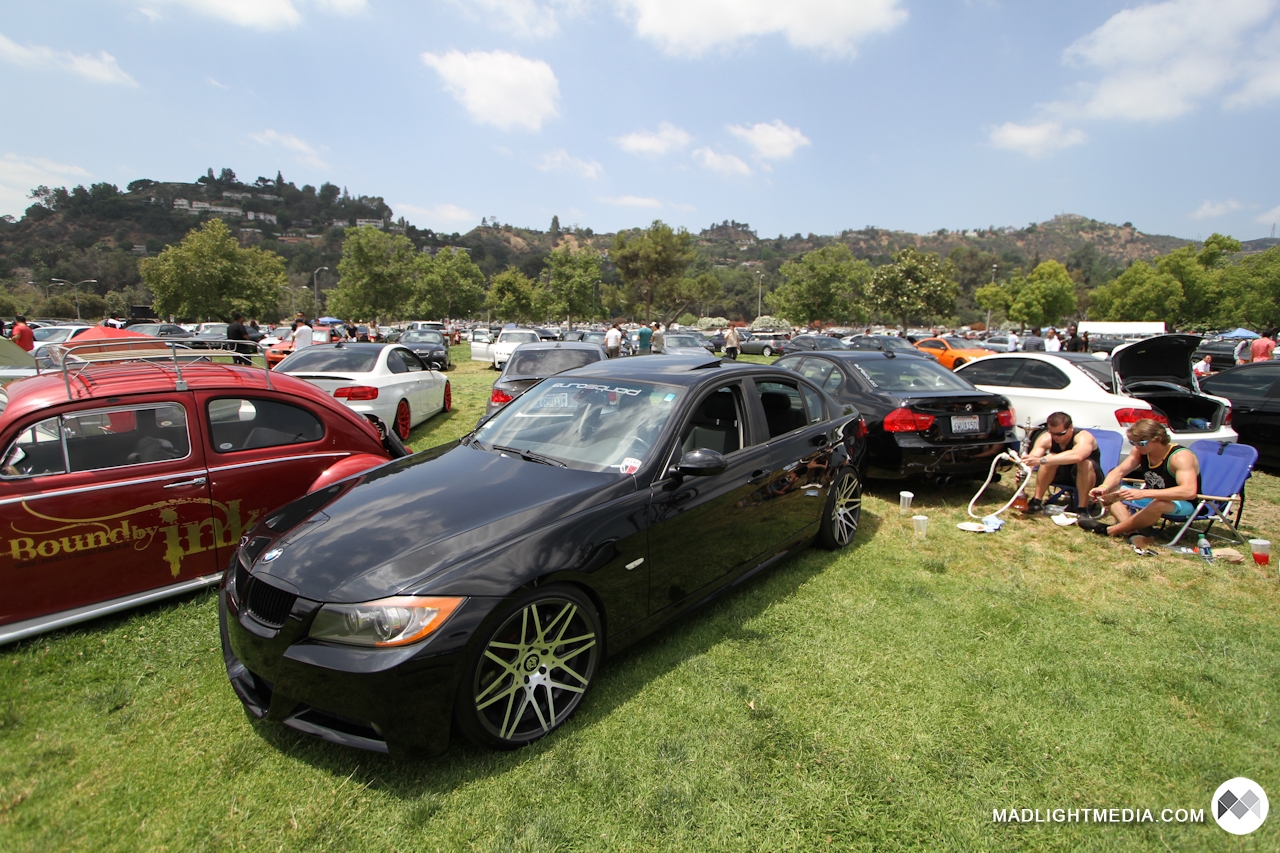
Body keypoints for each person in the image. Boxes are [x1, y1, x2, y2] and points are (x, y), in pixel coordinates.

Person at [1082, 419, 1201, 538]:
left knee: (1159, 503)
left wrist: (1143, 493)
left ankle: (1111, 530)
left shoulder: (1180, 457)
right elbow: (1119, 471)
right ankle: (1132, 533)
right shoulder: (1140, 452)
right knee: (1112, 491)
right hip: (1153, 497)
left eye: (1141, 443)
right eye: (1133, 443)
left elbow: (1188, 492)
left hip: (1183, 503)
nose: (1137, 446)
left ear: (1157, 438)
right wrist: (1103, 487)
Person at [1020, 412, 1102, 515]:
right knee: (1050, 459)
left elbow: (1078, 455)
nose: (1056, 437)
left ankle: (1082, 508)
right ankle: (1037, 500)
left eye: (1060, 433)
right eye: (1052, 433)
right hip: (1062, 475)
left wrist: (1043, 460)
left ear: (1070, 427)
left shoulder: (1083, 437)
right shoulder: (1046, 438)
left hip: (1088, 476)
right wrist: (1025, 469)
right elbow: (1033, 458)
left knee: (1084, 463)